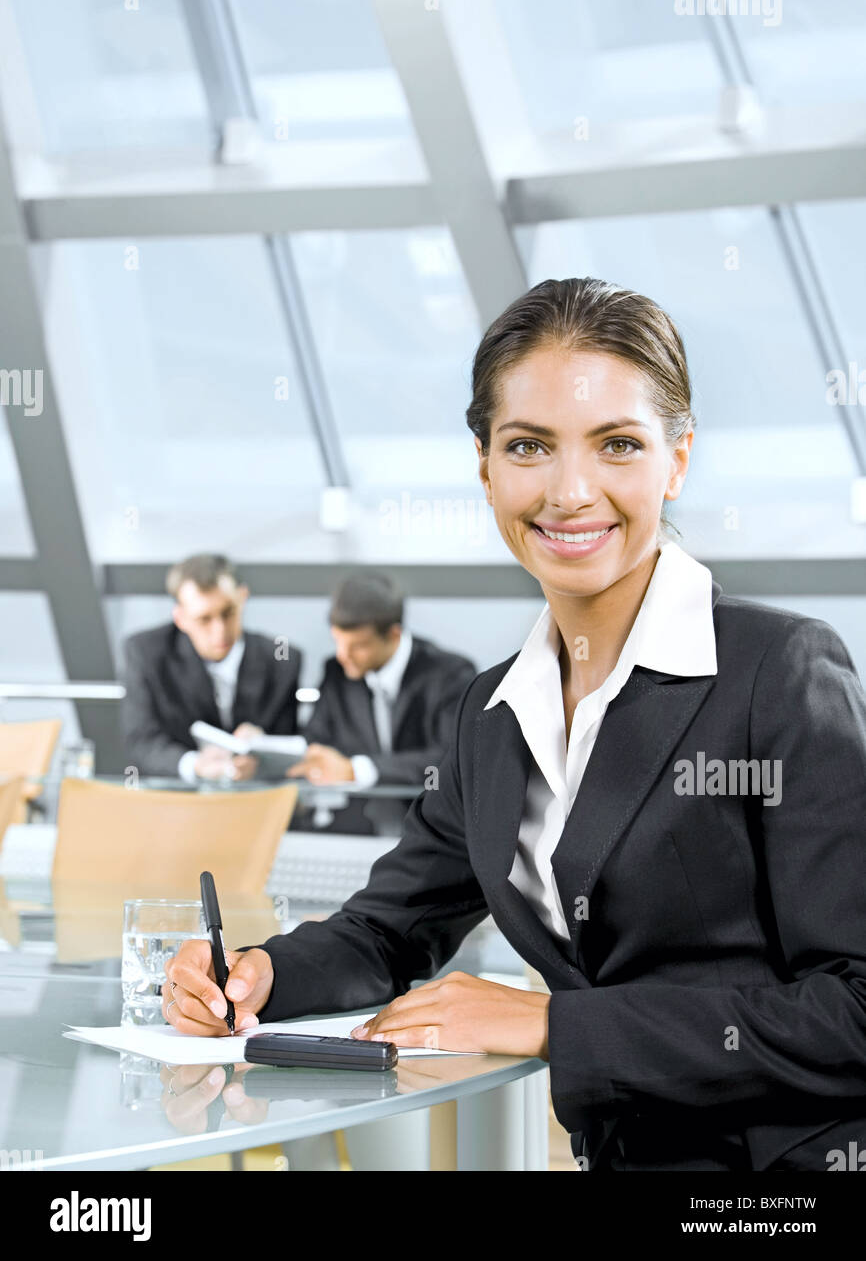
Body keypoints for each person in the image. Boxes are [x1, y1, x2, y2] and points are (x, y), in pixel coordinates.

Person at [162, 277, 866, 1171]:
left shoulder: (781, 672)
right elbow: (389, 928)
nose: (571, 492)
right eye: (530, 445)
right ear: (487, 468)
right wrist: (261, 973)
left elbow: (855, 1009)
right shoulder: (494, 712)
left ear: (677, 461)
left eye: (617, 445)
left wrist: (552, 1023)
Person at [286, 571, 475, 833]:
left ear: (394, 635)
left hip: (437, 827)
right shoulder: (337, 673)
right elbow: (316, 738)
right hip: (358, 827)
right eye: (338, 642)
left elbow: (450, 757)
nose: (343, 655)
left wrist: (357, 770)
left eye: (358, 646)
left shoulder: (451, 674)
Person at [121, 553, 302, 783]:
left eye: (228, 613)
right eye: (204, 619)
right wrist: (195, 764)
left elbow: (291, 745)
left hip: (255, 803)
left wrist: (263, 746)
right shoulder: (147, 653)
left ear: (243, 597)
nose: (220, 631)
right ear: (180, 618)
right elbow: (141, 741)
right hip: (178, 804)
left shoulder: (282, 661)